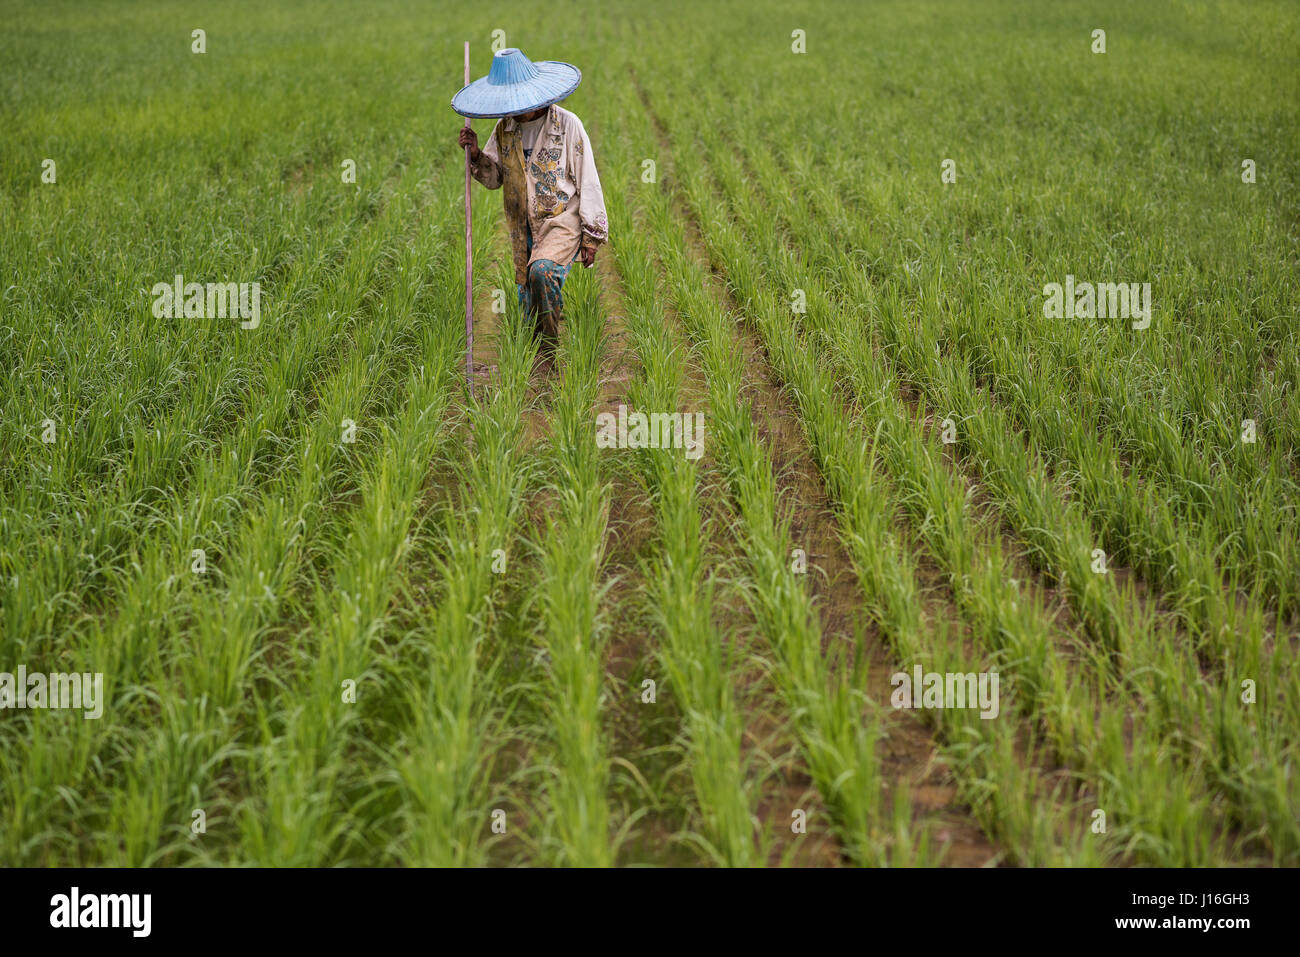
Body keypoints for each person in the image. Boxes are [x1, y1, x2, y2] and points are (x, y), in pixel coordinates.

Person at [453, 48, 608, 361]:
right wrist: (475, 156)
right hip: (521, 221)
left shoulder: (567, 125)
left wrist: (591, 236)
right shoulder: (505, 128)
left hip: (561, 220)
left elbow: (588, 178)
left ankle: (548, 352)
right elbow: (495, 176)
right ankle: (531, 351)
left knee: (542, 272)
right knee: (528, 294)